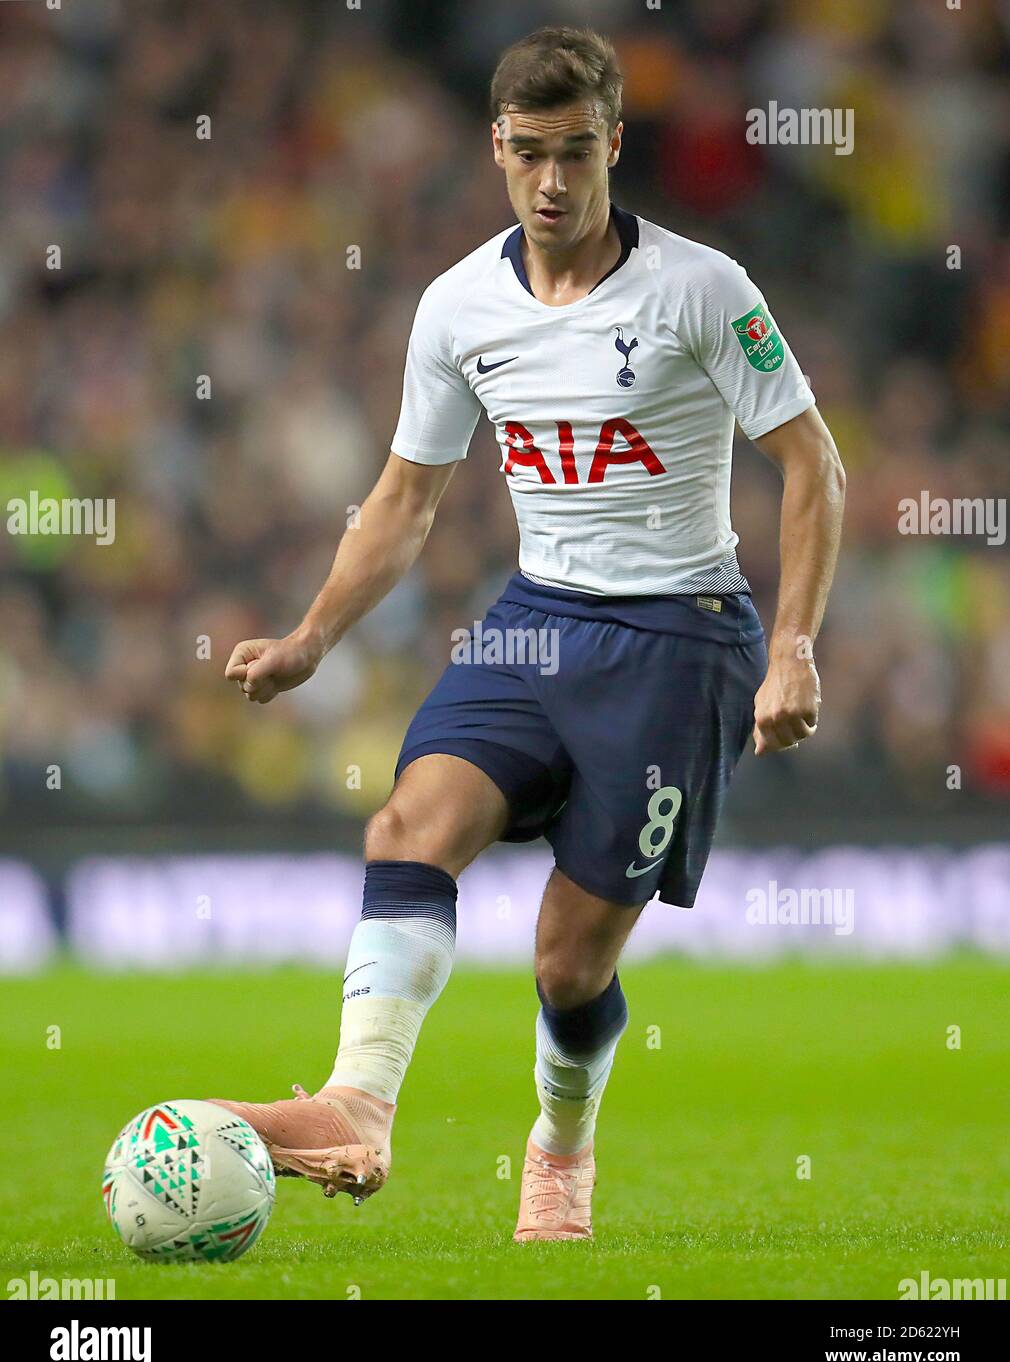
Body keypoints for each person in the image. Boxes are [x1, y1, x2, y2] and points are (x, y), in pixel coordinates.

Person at [210, 26, 845, 1242]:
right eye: (528, 156)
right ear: (494, 149)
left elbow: (810, 466)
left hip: (679, 636)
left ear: (612, 144)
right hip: (534, 622)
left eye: (575, 154)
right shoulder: (456, 307)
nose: (552, 184)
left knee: (566, 962)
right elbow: (405, 496)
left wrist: (796, 645)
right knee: (406, 822)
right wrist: (310, 637)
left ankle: (558, 1146)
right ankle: (359, 1103)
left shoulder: (702, 290)